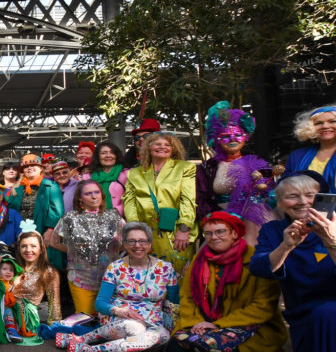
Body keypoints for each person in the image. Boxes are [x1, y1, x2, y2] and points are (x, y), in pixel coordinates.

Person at [168, 212, 286, 352]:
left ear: (235, 233)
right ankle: (206, 348)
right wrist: (195, 323)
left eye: (220, 231)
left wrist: (218, 325)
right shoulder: (199, 259)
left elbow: (263, 306)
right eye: (208, 233)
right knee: (175, 350)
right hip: (205, 322)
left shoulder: (256, 259)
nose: (214, 237)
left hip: (248, 326)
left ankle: (209, 350)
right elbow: (187, 296)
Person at [250, 172, 336, 352]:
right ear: (279, 202)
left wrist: (330, 240)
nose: (303, 202)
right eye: (292, 196)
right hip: (302, 313)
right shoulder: (274, 230)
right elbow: (259, 267)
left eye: (310, 195)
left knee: (327, 312)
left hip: (331, 310)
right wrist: (286, 246)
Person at [57, 222, 178, 352]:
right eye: (131, 241)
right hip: (120, 318)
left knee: (162, 336)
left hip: (154, 322)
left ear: (150, 243)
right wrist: (121, 311)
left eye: (142, 241)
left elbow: (173, 303)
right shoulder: (115, 267)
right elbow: (100, 303)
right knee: (136, 329)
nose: (137, 245)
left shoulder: (166, 268)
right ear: (124, 244)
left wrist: (171, 327)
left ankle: (86, 347)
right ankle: (84, 342)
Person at [195, 101, 275, 244]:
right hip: (221, 226)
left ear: (245, 136)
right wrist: (224, 218)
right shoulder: (207, 168)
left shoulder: (259, 164)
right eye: (225, 135)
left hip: (256, 225)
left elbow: (270, 194)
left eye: (237, 134)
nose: (232, 139)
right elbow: (201, 200)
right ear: (216, 139)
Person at [123, 132, 198, 275]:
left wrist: (184, 229)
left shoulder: (185, 167)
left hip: (176, 233)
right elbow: (129, 201)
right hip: (147, 234)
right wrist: (136, 230)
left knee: (179, 276)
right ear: (148, 148)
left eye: (167, 145)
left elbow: (188, 199)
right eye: (157, 144)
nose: (162, 147)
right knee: (151, 277)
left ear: (173, 149)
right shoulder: (135, 173)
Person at [48, 180, 123, 317]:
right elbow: (53, 241)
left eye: (96, 192)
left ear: (102, 195)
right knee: (84, 320)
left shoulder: (114, 217)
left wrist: (114, 252)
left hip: (110, 280)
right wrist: (73, 251)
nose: (94, 196)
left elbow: (128, 241)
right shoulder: (70, 218)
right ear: (80, 199)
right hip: (80, 279)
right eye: (88, 194)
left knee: (107, 320)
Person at [5, 153, 65, 270]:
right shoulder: (17, 189)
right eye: (26, 167)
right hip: (21, 233)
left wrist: (50, 229)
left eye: (34, 165)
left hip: (43, 231)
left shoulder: (51, 186)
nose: (30, 168)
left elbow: (57, 210)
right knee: (23, 266)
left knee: (45, 267)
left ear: (41, 168)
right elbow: (10, 211)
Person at [9, 231, 61, 325]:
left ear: (41, 249)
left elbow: (54, 304)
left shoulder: (48, 272)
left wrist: (54, 326)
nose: (28, 250)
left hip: (27, 322)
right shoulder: (11, 267)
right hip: (5, 316)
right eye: (24, 246)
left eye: (33, 246)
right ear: (19, 249)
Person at [284, 105, 336, 193]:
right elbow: (286, 188)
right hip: (303, 205)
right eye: (318, 123)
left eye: (333, 121)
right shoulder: (297, 156)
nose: (325, 126)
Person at [82, 141, 128, 216]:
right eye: (103, 153)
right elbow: (82, 200)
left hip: (121, 219)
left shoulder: (126, 174)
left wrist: (117, 211)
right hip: (94, 220)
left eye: (112, 152)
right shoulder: (87, 177)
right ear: (98, 156)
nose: (108, 155)